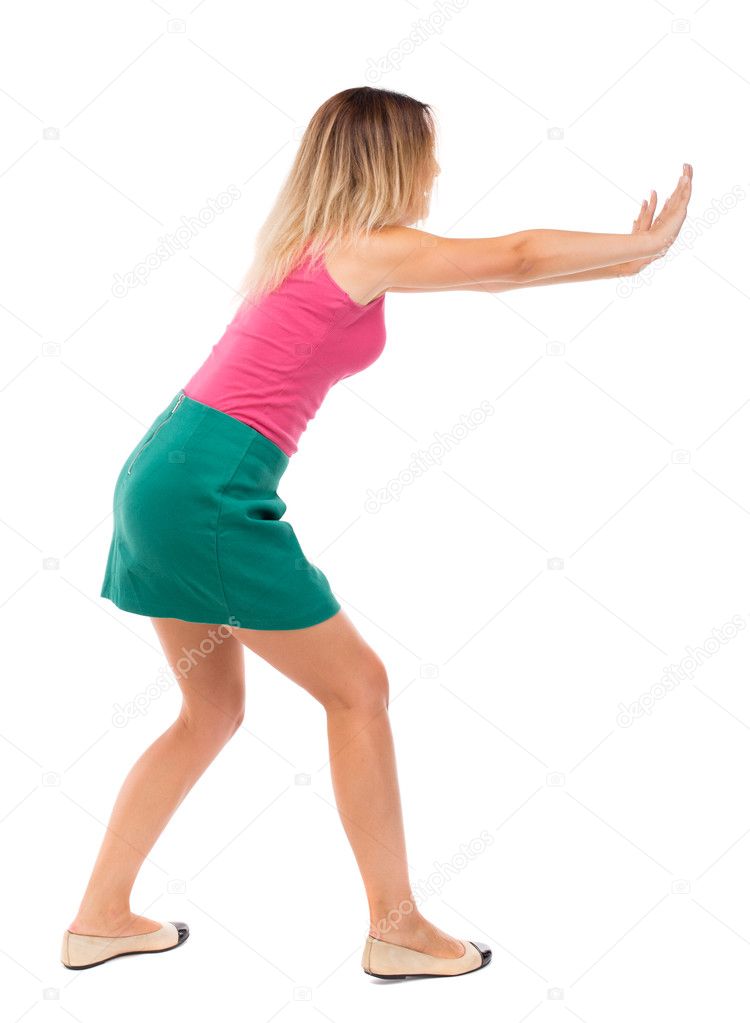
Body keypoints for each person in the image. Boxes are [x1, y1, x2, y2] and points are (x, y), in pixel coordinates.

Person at [60, 86, 693, 979]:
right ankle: (395, 927)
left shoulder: (317, 244)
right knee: (358, 688)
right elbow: (509, 257)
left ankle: (98, 918)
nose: (436, 168)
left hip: (166, 472)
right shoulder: (365, 246)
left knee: (212, 708)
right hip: (206, 488)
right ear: (390, 158)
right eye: (426, 150)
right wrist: (641, 243)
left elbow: (496, 268)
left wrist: (625, 265)